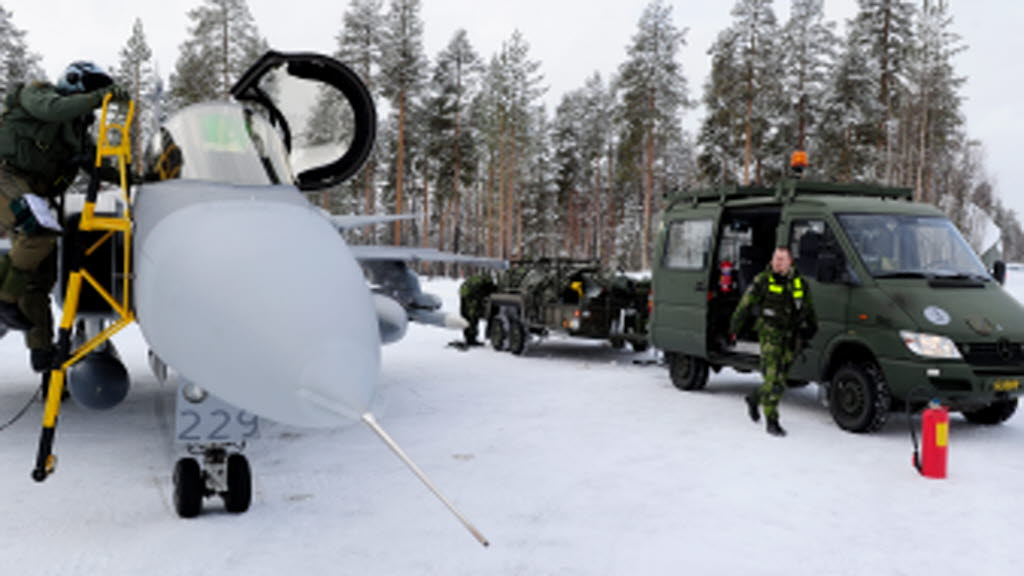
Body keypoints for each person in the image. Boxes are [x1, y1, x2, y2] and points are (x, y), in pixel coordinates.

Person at [0, 61, 129, 372]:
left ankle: (41, 350)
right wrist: (106, 94)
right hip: (6, 179)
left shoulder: (75, 133)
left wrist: (143, 176)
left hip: (36, 192)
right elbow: (55, 110)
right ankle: (3, 299)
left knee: (39, 279)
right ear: (73, 82)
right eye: (92, 89)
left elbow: (100, 167)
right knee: (37, 229)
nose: (95, 99)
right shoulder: (37, 96)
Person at [729, 246, 818, 436]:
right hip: (769, 335)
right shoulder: (762, 280)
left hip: (790, 336)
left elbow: (808, 307)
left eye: (782, 259)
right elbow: (745, 304)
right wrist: (735, 327)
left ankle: (754, 398)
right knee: (772, 379)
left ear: (790, 262)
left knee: (780, 380)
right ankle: (772, 420)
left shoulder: (799, 283)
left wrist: (811, 326)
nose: (777, 262)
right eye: (775, 258)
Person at [458, 272, 497, 346]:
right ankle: (471, 339)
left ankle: (470, 337)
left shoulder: (477, 280)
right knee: (472, 318)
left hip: (465, 298)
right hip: (470, 299)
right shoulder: (479, 285)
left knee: (468, 317)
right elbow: (479, 295)